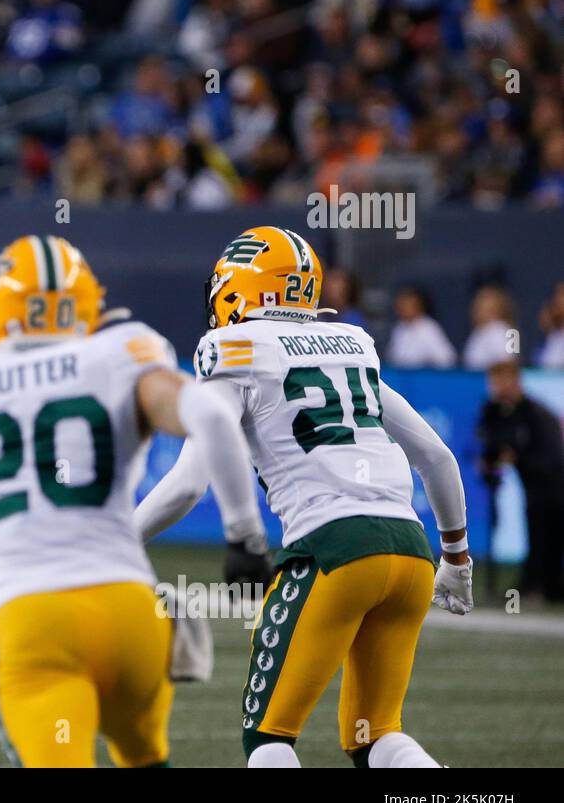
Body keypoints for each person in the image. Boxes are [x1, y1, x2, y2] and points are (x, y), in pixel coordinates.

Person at [0, 235, 271, 768]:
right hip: (130, 610)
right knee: (147, 758)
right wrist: (246, 537)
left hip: (32, 617)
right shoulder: (122, 352)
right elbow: (213, 419)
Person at [133, 227, 472, 768]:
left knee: (269, 738)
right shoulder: (352, 344)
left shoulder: (234, 348)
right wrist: (455, 560)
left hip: (333, 550)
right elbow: (437, 457)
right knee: (376, 736)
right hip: (410, 552)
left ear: (239, 287)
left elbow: (190, 481)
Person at [478, 359, 564, 603]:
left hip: (552, 486)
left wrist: (517, 458)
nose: (495, 387)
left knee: (547, 533)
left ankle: (544, 586)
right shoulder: (498, 411)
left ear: (514, 380)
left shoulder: (537, 414)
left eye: (500, 381)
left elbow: (551, 458)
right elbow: (490, 445)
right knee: (535, 529)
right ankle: (534, 584)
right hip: (532, 486)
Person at [385, 284, 457, 368]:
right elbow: (392, 358)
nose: (403, 307)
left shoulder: (428, 327)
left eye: (407, 304)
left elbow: (447, 359)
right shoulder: (399, 328)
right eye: (401, 304)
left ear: (418, 305)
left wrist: (426, 365)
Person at [463, 284, 516, 370]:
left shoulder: (501, 330)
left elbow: (508, 363)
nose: (475, 311)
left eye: (481, 307)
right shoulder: (479, 332)